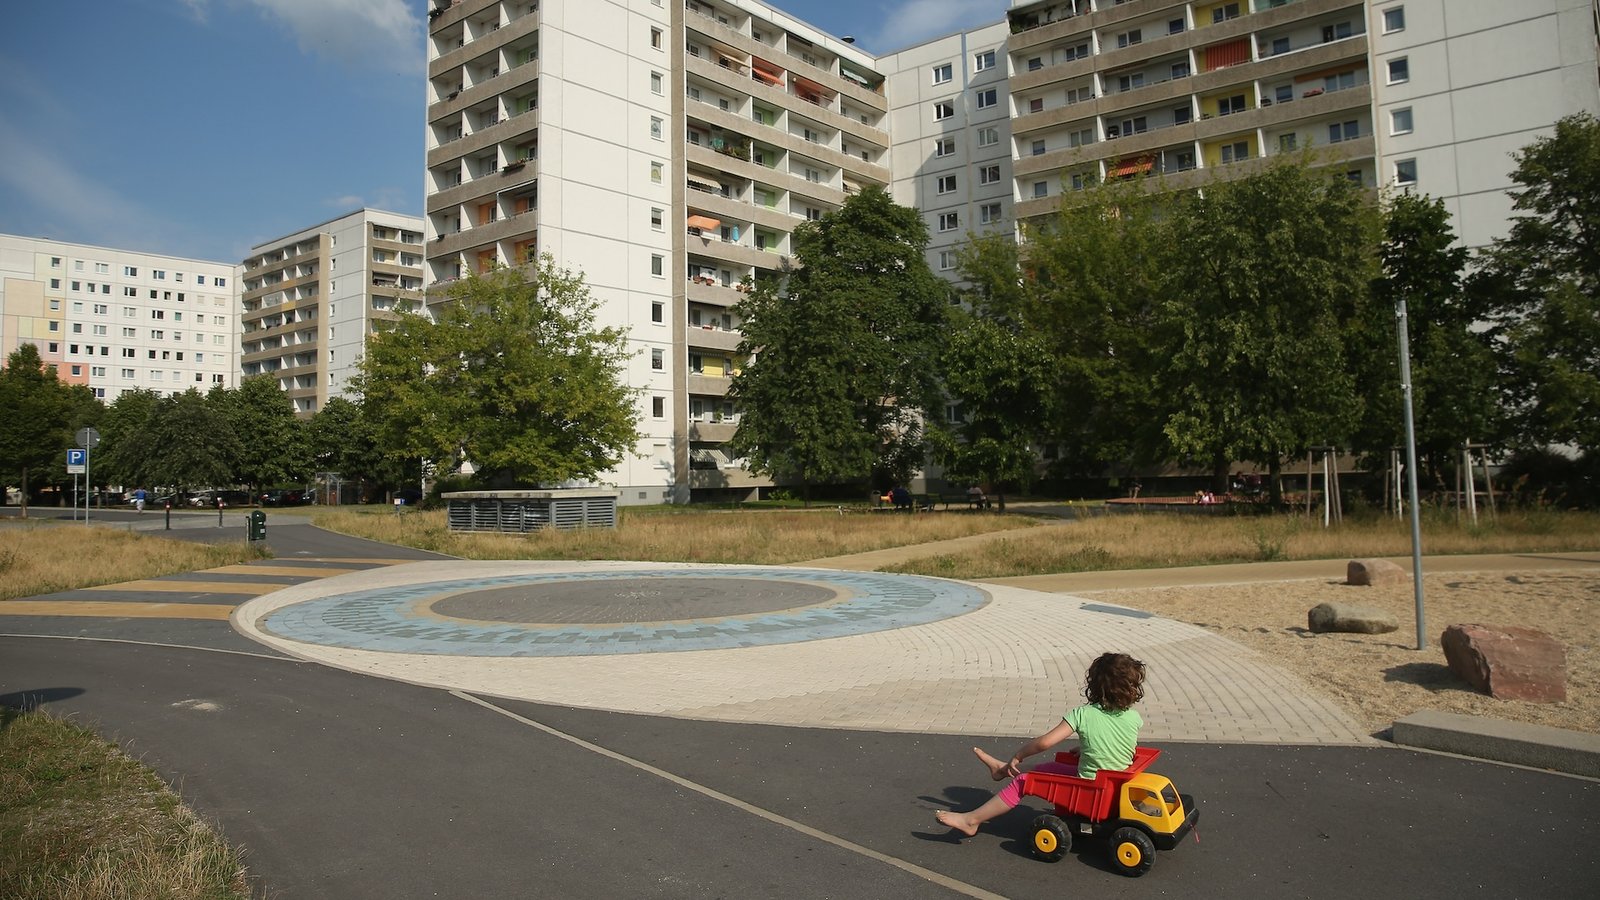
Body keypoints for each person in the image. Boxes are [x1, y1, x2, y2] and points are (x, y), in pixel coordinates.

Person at [935, 652, 1147, 837]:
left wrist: (1020, 754)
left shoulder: (1083, 714)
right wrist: (1086, 748)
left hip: (1090, 790)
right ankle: (1003, 769)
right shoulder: (1133, 717)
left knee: (1025, 781)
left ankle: (971, 821)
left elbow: (1045, 742)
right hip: (1112, 784)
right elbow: (1118, 744)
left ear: (1095, 684)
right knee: (1047, 769)